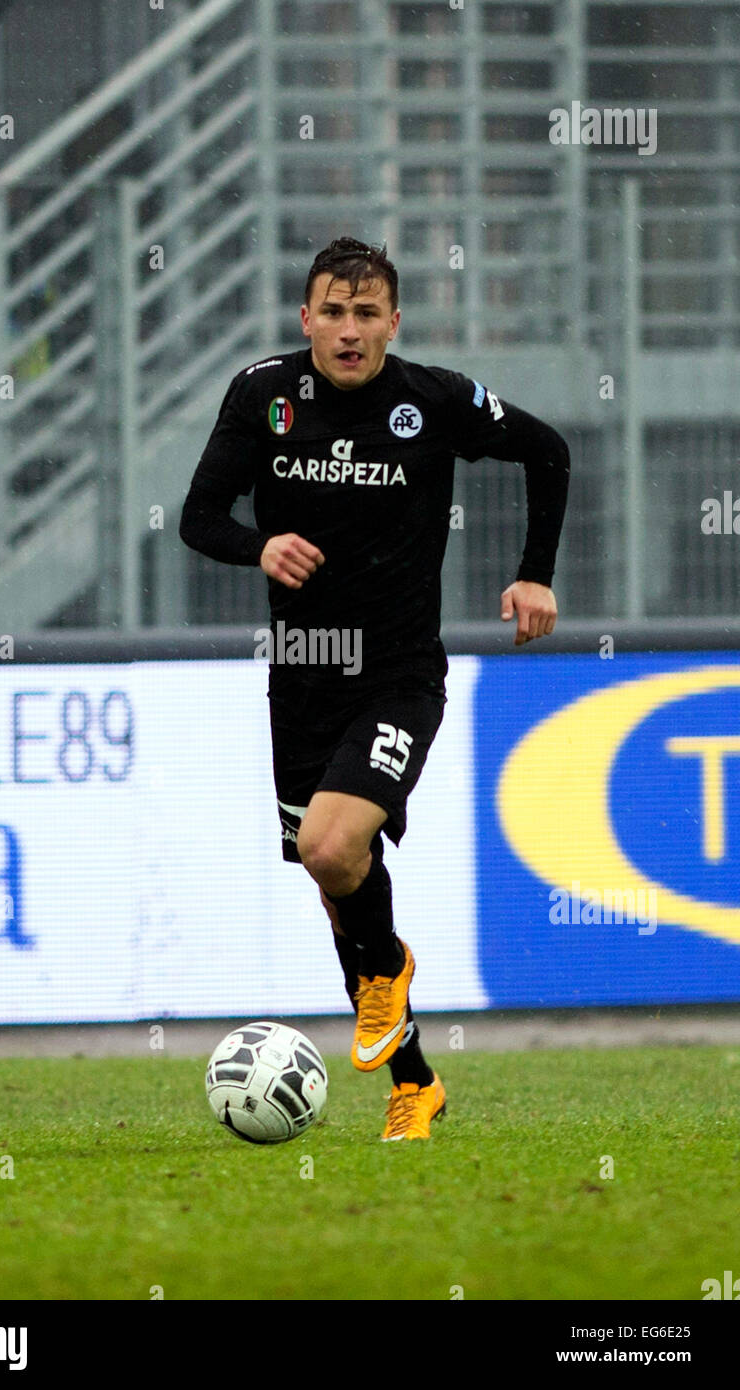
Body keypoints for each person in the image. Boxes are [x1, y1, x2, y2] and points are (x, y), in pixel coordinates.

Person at [179, 237, 570, 1140]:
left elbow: (545, 450)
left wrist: (534, 573)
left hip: (396, 674)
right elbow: (200, 517)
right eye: (333, 312)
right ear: (305, 317)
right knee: (338, 877)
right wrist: (258, 547)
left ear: (393, 324)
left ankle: (385, 973)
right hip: (302, 674)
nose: (349, 332)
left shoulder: (432, 400)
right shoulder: (261, 394)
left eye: (367, 315)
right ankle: (414, 1082)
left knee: (328, 847)